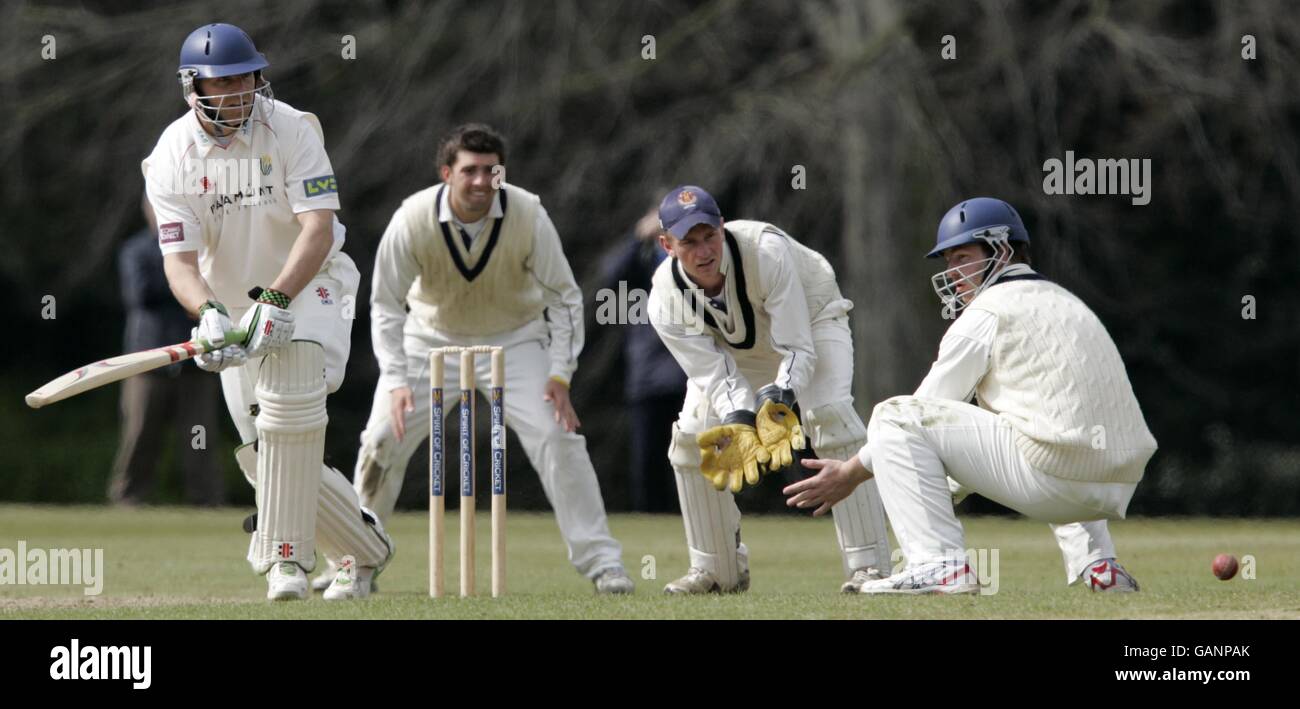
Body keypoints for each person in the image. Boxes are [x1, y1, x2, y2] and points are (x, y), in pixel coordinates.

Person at [783, 197, 1157, 594]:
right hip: (1117, 481)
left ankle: (938, 565)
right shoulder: (1069, 303)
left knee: (893, 415)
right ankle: (1100, 566)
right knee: (1053, 427)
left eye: (961, 257)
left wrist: (849, 473)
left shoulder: (987, 311)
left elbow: (918, 415)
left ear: (1002, 249)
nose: (951, 273)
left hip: (1054, 478)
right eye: (947, 262)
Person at [141, 23, 392, 601]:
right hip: (233, 301)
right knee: (264, 449)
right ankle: (365, 552)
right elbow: (179, 263)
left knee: (290, 403)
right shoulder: (169, 158)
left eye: (245, 78)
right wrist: (209, 314)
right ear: (192, 87)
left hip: (312, 283)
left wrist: (276, 300)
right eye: (221, 82)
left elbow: (318, 228)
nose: (236, 92)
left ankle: (287, 564)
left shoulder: (294, 129)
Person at [345, 123, 634, 594]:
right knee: (381, 439)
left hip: (515, 339)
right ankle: (357, 563)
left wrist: (561, 374)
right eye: (470, 171)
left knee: (556, 436)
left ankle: (604, 564)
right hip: (429, 339)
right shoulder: (413, 218)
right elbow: (384, 305)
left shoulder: (527, 214)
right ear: (447, 174)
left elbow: (563, 298)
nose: (482, 182)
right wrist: (396, 380)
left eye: (492, 171)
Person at [647, 185, 892, 594]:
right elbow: (714, 373)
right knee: (693, 440)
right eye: (689, 242)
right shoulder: (663, 299)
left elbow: (796, 348)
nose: (704, 250)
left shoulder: (765, 251)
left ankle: (870, 567)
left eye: (710, 236)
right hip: (735, 351)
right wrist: (741, 419)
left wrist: (780, 398)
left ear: (723, 227)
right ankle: (717, 571)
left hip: (813, 321)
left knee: (829, 416)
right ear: (666, 244)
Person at [109, 196, 224, 507]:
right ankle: (129, 498)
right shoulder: (136, 250)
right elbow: (140, 294)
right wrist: (184, 284)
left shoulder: (199, 250)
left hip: (194, 358)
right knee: (140, 433)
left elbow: (214, 286)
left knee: (199, 436)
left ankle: (206, 500)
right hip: (148, 359)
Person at [597, 204, 686, 513]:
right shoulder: (643, 260)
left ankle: (697, 518)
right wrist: (638, 237)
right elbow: (610, 276)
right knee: (647, 459)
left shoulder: (699, 258)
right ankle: (650, 523)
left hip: (692, 373)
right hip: (648, 374)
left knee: (692, 457)